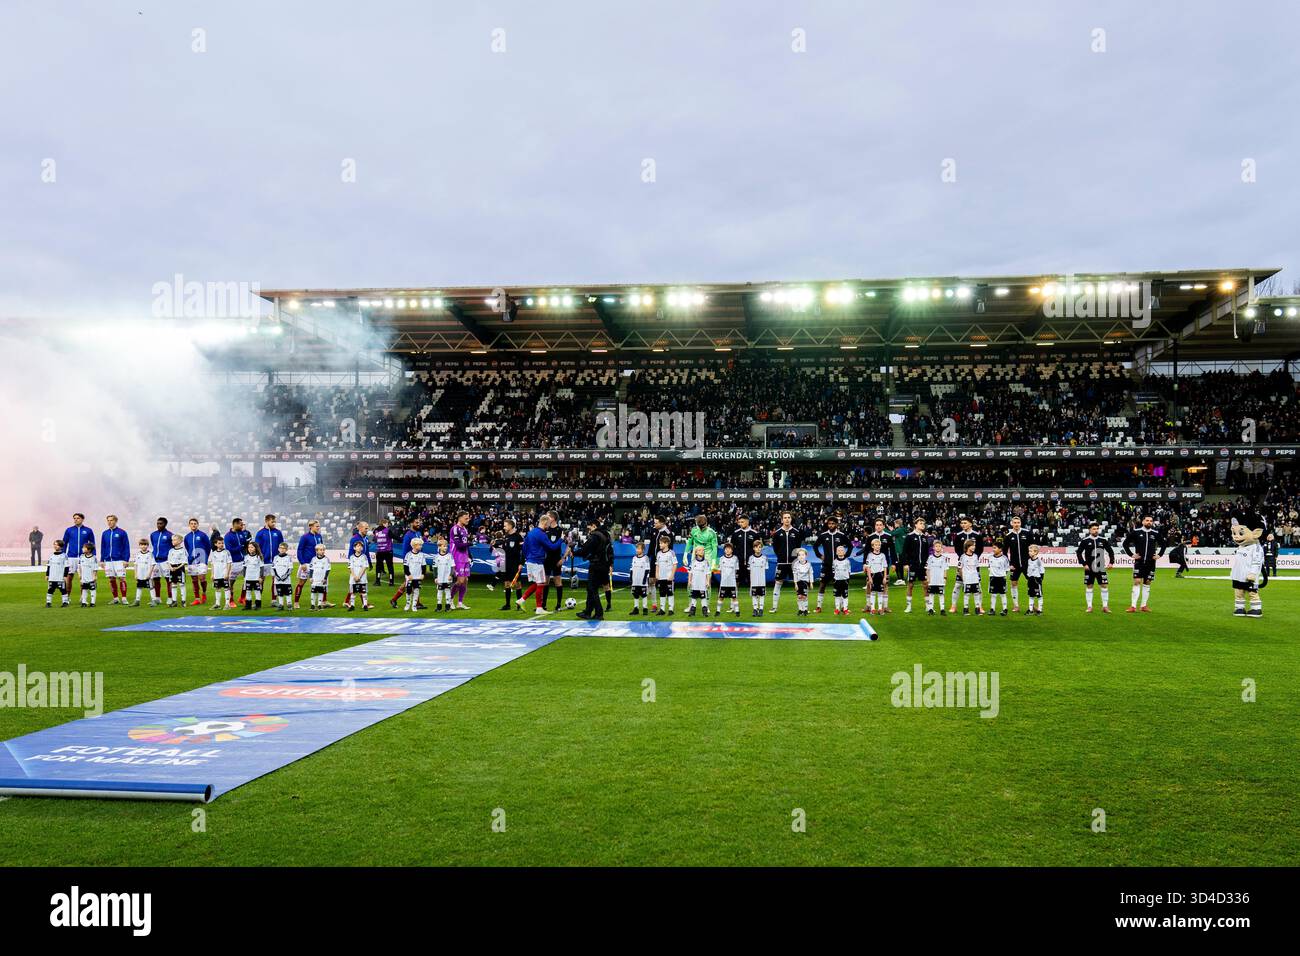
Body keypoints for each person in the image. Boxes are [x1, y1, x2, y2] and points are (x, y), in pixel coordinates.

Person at [517, 514, 562, 615]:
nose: (548, 527)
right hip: (537, 562)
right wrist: (561, 539)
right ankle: (539, 608)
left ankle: (522, 599)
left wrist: (524, 560)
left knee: (537, 583)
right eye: (548, 524)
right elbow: (552, 547)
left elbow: (524, 548)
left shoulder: (531, 532)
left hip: (530, 561)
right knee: (541, 584)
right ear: (545, 522)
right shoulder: (541, 534)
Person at [1122, 514, 1164, 613]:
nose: (1149, 522)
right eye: (1147, 520)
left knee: (1147, 582)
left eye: (1150, 521)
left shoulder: (1155, 533)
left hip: (1151, 563)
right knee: (1137, 581)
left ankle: (1143, 606)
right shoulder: (1136, 532)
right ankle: (1133, 606)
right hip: (1139, 562)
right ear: (1143, 522)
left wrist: (1159, 555)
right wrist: (1131, 555)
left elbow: (1164, 544)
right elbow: (1125, 544)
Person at [390, 518, 429, 609]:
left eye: (419, 522)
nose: (418, 523)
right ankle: (398, 600)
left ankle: (396, 600)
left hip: (418, 560)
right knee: (410, 581)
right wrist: (406, 563)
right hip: (411, 562)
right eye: (416, 522)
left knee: (413, 581)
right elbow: (404, 550)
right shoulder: (408, 535)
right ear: (411, 523)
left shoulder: (418, 533)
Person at [577, 518, 612, 620]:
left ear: (594, 526)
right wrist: (610, 564)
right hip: (604, 565)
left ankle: (598, 612)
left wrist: (574, 552)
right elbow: (610, 551)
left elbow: (585, 550)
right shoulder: (606, 535)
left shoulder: (595, 535)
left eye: (590, 526)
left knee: (592, 588)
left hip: (596, 565)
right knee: (592, 588)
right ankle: (588, 611)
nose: (589, 529)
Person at [1076, 521, 1114, 613]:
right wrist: (1084, 564)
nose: (1096, 530)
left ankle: (1105, 606)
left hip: (1101, 567)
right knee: (1089, 586)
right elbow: (1079, 552)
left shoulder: (1103, 540)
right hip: (1089, 567)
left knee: (1104, 585)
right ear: (1090, 530)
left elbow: (1110, 551)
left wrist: (1111, 563)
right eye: (1094, 529)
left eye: (1097, 529)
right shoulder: (1085, 541)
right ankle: (1089, 606)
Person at [814, 515, 849, 613]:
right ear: (827, 524)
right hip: (826, 565)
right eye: (829, 523)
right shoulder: (823, 535)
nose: (831, 525)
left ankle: (842, 607)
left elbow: (850, 546)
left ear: (836, 524)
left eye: (833, 523)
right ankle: (818, 606)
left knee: (840, 586)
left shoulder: (841, 535)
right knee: (822, 585)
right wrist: (819, 556)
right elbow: (815, 546)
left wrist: (846, 555)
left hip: (839, 566)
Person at [769, 511, 803, 612]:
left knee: (798, 584)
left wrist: (794, 558)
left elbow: (798, 547)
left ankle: (801, 608)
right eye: (785, 517)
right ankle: (774, 607)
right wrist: (781, 556)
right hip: (782, 563)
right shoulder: (777, 533)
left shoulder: (796, 532)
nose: (787, 519)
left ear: (791, 519)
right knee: (778, 583)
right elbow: (775, 548)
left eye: (788, 517)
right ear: (781, 520)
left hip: (794, 564)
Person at [900, 517, 932, 613]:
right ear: (916, 525)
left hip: (923, 566)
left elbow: (927, 553)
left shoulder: (925, 538)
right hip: (912, 565)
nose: (923, 525)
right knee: (910, 585)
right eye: (920, 523)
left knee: (926, 585)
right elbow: (904, 551)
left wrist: (927, 564)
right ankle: (909, 606)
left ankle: (928, 606)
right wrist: (905, 563)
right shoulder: (909, 536)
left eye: (923, 523)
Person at [1003, 516, 1034, 613]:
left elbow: (1033, 548)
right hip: (1014, 565)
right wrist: (1009, 564)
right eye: (1014, 522)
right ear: (1011, 523)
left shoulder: (1027, 533)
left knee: (1032, 583)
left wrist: (1032, 561)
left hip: (1027, 564)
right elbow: (1004, 552)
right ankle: (1016, 606)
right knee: (1013, 583)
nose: (1016, 524)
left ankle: (1033, 605)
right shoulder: (1008, 536)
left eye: (1018, 522)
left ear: (1020, 523)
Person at [61, 514, 95, 601]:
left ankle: (82, 597)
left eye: (78, 518)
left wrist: (93, 556)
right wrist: (63, 555)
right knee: (69, 577)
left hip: (84, 557)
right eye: (74, 518)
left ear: (82, 519)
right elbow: (64, 543)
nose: (76, 520)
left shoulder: (88, 530)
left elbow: (92, 544)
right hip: (71, 557)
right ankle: (67, 597)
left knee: (83, 577)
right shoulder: (69, 530)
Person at [100, 515, 131, 606]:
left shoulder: (122, 532)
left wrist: (126, 559)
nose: (109, 522)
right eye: (108, 520)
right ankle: (115, 598)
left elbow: (126, 546)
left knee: (121, 578)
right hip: (108, 560)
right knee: (111, 579)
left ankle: (124, 598)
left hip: (119, 560)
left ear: (116, 521)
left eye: (111, 520)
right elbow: (103, 547)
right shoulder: (105, 533)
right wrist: (102, 560)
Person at [295, 520, 325, 608]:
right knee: (301, 583)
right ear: (311, 527)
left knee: (321, 583)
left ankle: (323, 602)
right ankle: (296, 602)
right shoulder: (305, 537)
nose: (318, 528)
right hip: (307, 564)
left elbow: (322, 548)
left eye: (319, 526)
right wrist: (302, 563)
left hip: (318, 565)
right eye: (317, 526)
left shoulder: (319, 536)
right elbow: (299, 550)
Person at [255, 514, 286, 597]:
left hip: (275, 562)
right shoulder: (260, 533)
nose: (274, 523)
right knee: (261, 580)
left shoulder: (278, 532)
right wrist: (259, 558)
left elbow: (282, 546)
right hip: (263, 561)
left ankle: (274, 599)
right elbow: (256, 547)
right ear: (266, 521)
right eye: (272, 522)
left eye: (275, 522)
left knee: (275, 580)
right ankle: (258, 599)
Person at [224, 518, 252, 606]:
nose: (242, 526)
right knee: (231, 582)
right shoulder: (228, 536)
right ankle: (231, 600)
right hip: (233, 562)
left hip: (243, 561)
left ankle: (242, 598)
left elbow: (245, 545)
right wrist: (240, 547)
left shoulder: (241, 533)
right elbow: (229, 550)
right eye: (240, 524)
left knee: (247, 580)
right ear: (235, 524)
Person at [498, 517, 524, 611]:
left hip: (515, 563)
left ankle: (519, 605)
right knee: (506, 584)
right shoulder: (505, 536)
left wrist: (521, 563)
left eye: (505, 526)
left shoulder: (518, 537)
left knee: (517, 584)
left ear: (510, 526)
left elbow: (523, 551)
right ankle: (507, 604)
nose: (504, 527)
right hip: (506, 563)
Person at [184, 517, 211, 607]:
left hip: (202, 559)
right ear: (189, 525)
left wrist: (205, 557)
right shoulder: (187, 537)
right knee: (194, 579)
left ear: (197, 525)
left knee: (202, 578)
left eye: (195, 523)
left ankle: (204, 593)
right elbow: (187, 548)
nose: (193, 525)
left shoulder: (203, 535)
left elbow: (208, 547)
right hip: (192, 560)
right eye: (191, 523)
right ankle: (197, 599)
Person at [449, 511, 473, 610]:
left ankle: (460, 602)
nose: (468, 520)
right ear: (459, 518)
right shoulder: (455, 529)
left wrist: (470, 556)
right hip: (457, 557)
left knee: (465, 580)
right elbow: (458, 545)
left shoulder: (464, 529)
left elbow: (465, 545)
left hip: (464, 557)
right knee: (460, 581)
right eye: (466, 518)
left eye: (468, 518)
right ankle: (449, 599)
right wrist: (470, 543)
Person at [149, 518, 174, 604]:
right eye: (158, 523)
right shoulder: (153, 535)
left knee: (168, 580)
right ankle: (158, 598)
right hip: (156, 561)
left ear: (165, 524)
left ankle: (170, 598)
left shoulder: (170, 535)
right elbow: (154, 545)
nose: (159, 525)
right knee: (156, 579)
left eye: (161, 524)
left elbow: (172, 547)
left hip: (166, 561)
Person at [864, 538, 890, 614]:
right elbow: (868, 567)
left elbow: (885, 567)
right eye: (876, 545)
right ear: (873, 546)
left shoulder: (883, 555)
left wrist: (885, 577)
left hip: (881, 575)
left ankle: (879, 609)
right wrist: (869, 578)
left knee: (880, 592)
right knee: (872, 591)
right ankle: (872, 608)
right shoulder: (869, 555)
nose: (878, 546)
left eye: (879, 545)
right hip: (873, 575)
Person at [653, 536, 678, 616]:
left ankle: (671, 609)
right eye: (659, 543)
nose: (659, 544)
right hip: (661, 577)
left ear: (666, 543)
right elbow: (657, 565)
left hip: (669, 577)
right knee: (662, 593)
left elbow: (675, 564)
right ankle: (662, 609)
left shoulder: (671, 553)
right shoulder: (659, 553)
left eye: (661, 543)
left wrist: (672, 575)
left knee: (670, 592)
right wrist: (657, 574)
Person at [402, 537, 427, 613]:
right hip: (410, 577)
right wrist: (408, 575)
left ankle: (414, 605)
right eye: (420, 545)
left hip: (417, 576)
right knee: (409, 590)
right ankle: (407, 604)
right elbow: (405, 566)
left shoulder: (422, 555)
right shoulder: (408, 555)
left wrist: (423, 574)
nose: (421, 546)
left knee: (416, 590)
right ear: (414, 545)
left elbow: (424, 566)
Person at [686, 544, 712, 617]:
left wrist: (707, 582)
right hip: (694, 584)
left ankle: (705, 611)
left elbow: (708, 573)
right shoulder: (693, 562)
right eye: (700, 550)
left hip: (702, 584)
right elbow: (690, 573)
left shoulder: (706, 562)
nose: (702, 551)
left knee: (703, 597)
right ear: (696, 552)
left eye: (703, 550)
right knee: (693, 597)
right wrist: (689, 581)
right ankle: (692, 611)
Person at [347, 540, 373, 611]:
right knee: (353, 592)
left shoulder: (364, 557)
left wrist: (359, 576)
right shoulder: (351, 557)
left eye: (361, 546)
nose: (359, 547)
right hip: (353, 578)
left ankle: (365, 605)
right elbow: (350, 567)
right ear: (354, 548)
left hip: (362, 578)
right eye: (358, 546)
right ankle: (352, 606)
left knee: (363, 592)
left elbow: (364, 567)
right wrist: (355, 576)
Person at [958, 539, 983, 615]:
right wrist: (963, 578)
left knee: (976, 593)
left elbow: (977, 568)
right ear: (968, 546)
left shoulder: (975, 556)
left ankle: (977, 609)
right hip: (967, 578)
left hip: (975, 578)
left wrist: (978, 577)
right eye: (972, 545)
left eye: (974, 546)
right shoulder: (963, 557)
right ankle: (965, 610)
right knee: (967, 594)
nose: (974, 547)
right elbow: (959, 568)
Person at [209, 536, 233, 610]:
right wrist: (212, 574)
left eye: (222, 543)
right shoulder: (213, 553)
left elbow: (229, 563)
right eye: (219, 543)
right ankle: (217, 604)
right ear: (215, 544)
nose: (221, 544)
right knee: (217, 588)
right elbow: (212, 564)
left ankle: (227, 604)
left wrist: (227, 573)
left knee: (226, 588)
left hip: (224, 574)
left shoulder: (226, 552)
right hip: (217, 574)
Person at [165, 534, 189, 607]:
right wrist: (170, 567)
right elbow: (168, 561)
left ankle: (183, 601)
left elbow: (184, 562)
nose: (173, 541)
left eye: (175, 540)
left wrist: (177, 567)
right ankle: (174, 601)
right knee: (173, 585)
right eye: (172, 540)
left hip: (180, 569)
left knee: (182, 584)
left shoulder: (183, 550)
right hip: (172, 569)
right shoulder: (171, 550)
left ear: (180, 541)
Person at [716, 541, 740, 616]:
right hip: (723, 583)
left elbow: (736, 570)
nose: (727, 550)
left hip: (732, 583)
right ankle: (718, 611)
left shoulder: (735, 558)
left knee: (734, 597)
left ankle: (737, 611)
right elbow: (719, 570)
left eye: (729, 549)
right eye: (726, 549)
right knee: (721, 597)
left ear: (732, 550)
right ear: (724, 550)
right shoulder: (721, 559)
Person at [925, 541, 948, 616]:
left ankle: (942, 609)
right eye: (936, 546)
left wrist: (945, 578)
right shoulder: (930, 558)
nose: (938, 548)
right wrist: (928, 579)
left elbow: (945, 569)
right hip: (932, 580)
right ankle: (931, 609)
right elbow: (927, 569)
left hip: (940, 581)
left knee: (941, 595)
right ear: (934, 548)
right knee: (931, 594)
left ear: (941, 548)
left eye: (939, 546)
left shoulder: (944, 558)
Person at [44, 540, 69, 608]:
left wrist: (65, 576)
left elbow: (66, 567)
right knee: (50, 590)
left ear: (61, 546)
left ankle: (65, 602)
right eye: (54, 544)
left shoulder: (64, 556)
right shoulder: (51, 556)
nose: (55, 546)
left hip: (60, 577)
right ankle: (48, 602)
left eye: (57, 545)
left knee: (63, 590)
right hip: (52, 577)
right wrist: (47, 575)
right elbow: (49, 566)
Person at [747, 539, 769, 617]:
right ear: (753, 548)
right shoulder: (750, 558)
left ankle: (761, 609)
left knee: (762, 595)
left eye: (760, 547)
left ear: (762, 548)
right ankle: (755, 609)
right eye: (756, 547)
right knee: (754, 595)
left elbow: (766, 568)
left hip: (762, 580)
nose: (758, 549)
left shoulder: (764, 558)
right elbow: (749, 569)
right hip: (753, 581)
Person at [132, 538, 157, 607]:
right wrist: (135, 574)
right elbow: (135, 564)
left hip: (148, 575)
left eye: (145, 545)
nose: (143, 546)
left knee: (151, 587)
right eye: (142, 545)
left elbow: (153, 564)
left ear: (147, 545)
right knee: (139, 587)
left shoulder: (150, 554)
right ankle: (137, 601)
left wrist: (149, 574)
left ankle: (154, 600)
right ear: (139, 545)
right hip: (140, 574)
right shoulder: (138, 554)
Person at [433, 540, 456, 611]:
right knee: (439, 591)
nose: (446, 548)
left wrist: (450, 575)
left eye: (446, 546)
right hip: (440, 578)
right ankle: (439, 606)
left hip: (447, 578)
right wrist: (435, 577)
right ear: (439, 547)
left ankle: (447, 606)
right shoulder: (436, 557)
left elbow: (453, 567)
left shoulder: (449, 556)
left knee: (447, 591)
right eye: (444, 546)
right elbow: (435, 568)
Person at [987, 543, 1010, 616]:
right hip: (993, 578)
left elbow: (1007, 569)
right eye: (993, 548)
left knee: (1002, 594)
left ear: (1000, 549)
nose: (993, 549)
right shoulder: (990, 557)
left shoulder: (1004, 558)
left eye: (995, 548)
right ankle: (992, 609)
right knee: (993, 594)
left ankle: (1005, 609)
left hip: (1001, 578)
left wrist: (1002, 575)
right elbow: (989, 567)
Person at [629, 541, 651, 616]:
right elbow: (631, 568)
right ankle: (636, 609)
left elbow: (647, 569)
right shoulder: (634, 558)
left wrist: (645, 579)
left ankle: (645, 608)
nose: (637, 550)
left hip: (642, 581)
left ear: (643, 550)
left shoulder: (646, 558)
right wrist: (631, 577)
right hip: (635, 581)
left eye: (639, 549)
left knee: (644, 595)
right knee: (635, 595)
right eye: (636, 549)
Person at [272, 542, 295, 611]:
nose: (282, 549)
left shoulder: (289, 558)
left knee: (288, 593)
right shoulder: (275, 557)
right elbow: (274, 568)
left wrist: (285, 576)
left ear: (286, 549)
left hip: (286, 580)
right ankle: (281, 605)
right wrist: (277, 576)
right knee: (280, 593)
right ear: (278, 549)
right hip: (278, 580)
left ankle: (289, 604)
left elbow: (290, 569)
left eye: (284, 548)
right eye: (281, 548)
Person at [309, 544, 332, 610]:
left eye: (323, 550)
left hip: (322, 579)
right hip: (314, 579)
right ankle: (312, 605)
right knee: (313, 592)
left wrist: (325, 578)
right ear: (317, 551)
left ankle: (319, 605)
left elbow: (328, 570)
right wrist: (310, 577)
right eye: (321, 550)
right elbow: (311, 569)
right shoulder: (313, 559)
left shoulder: (326, 559)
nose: (322, 551)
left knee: (321, 592)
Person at [792, 548, 814, 616]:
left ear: (806, 555)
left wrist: (811, 583)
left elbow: (811, 573)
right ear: (797, 556)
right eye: (799, 555)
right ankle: (800, 609)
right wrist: (795, 583)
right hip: (798, 582)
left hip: (805, 582)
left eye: (803, 555)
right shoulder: (796, 564)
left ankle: (805, 610)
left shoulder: (808, 564)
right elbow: (795, 574)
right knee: (799, 596)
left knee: (804, 597)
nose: (801, 556)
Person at [373, 519, 395, 586]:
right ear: (384, 523)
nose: (388, 524)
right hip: (388, 551)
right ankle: (391, 582)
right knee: (390, 567)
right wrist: (403, 539)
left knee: (378, 567)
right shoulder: (387, 530)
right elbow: (394, 536)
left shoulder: (376, 531)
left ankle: (377, 581)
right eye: (387, 523)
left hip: (379, 551)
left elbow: (374, 539)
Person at [1025, 544, 1045, 615]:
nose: (1029, 552)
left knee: (1039, 595)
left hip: (1037, 580)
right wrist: (1028, 577)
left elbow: (1042, 571)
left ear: (1035, 552)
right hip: (1030, 580)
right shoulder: (1029, 560)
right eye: (1029, 551)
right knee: (1031, 595)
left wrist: (1040, 579)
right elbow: (1028, 570)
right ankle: (1030, 610)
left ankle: (1039, 610)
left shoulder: (1039, 561)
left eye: (1031, 551)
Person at [831, 545, 852, 615]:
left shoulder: (847, 561)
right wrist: (834, 579)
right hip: (837, 581)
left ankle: (845, 609)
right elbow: (833, 571)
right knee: (837, 595)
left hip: (845, 580)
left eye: (842, 550)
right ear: (836, 552)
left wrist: (848, 579)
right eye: (838, 551)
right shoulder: (834, 561)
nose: (840, 552)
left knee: (845, 595)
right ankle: (837, 609)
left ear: (844, 552)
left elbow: (849, 571)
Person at [242, 542, 264, 609]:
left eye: (252, 547)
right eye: (249, 547)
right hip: (248, 578)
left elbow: (262, 568)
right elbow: (244, 568)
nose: (250, 549)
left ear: (255, 548)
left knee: (257, 591)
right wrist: (244, 577)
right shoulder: (246, 557)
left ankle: (258, 606)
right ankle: (248, 606)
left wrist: (260, 577)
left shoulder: (259, 557)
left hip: (256, 578)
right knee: (248, 591)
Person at [77, 543, 98, 607]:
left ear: (89, 550)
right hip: (84, 577)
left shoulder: (94, 558)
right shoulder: (81, 557)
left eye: (84, 548)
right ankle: (84, 602)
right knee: (84, 589)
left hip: (91, 577)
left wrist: (94, 576)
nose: (82, 549)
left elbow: (95, 568)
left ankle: (92, 602)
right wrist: (79, 574)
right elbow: (79, 566)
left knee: (92, 589)